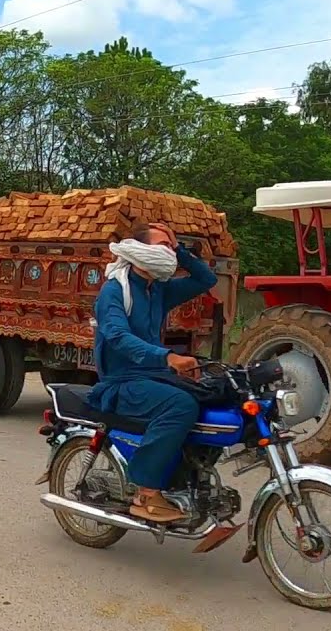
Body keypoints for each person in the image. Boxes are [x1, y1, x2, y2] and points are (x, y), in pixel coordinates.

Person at [87, 221, 218, 523]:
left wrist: (180, 250)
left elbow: (206, 278)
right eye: (162, 246)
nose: (168, 252)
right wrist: (167, 357)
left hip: (152, 377)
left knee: (215, 397)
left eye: (170, 248)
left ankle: (187, 478)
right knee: (180, 405)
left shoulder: (157, 289)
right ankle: (145, 492)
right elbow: (118, 337)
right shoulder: (114, 291)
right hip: (122, 383)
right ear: (138, 250)